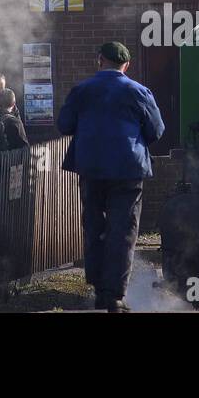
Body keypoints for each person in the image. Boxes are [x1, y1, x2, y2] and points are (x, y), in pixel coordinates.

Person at [57, 42, 164, 312]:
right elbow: (156, 131)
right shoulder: (139, 91)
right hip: (127, 170)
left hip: (91, 168)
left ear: (100, 60)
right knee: (123, 230)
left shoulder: (81, 91)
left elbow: (64, 125)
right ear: (126, 65)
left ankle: (97, 288)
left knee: (94, 226)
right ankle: (114, 295)